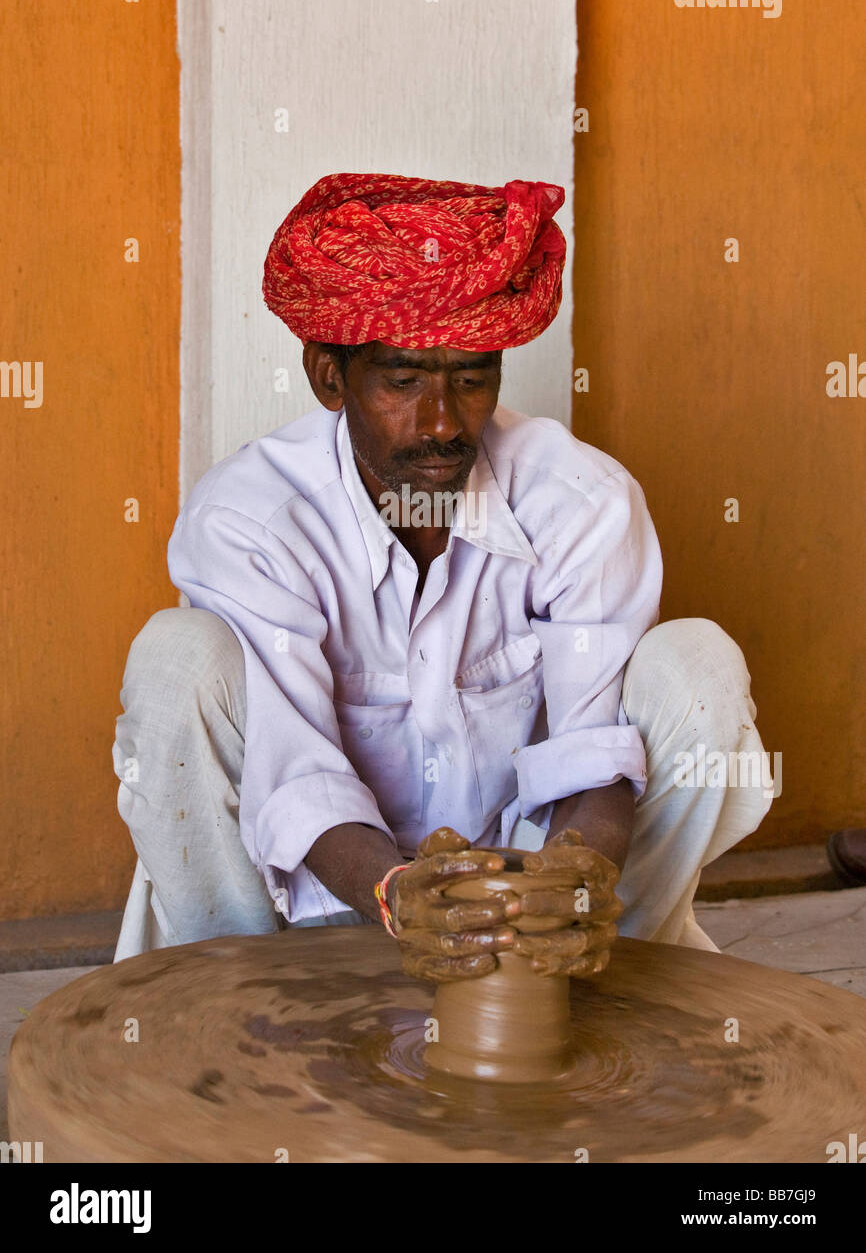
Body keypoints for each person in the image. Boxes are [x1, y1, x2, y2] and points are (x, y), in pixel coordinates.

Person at [112, 171, 772, 973]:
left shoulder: (581, 499)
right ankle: (236, 993)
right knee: (176, 657)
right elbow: (295, 774)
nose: (442, 424)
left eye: (471, 379)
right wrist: (400, 897)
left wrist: (562, 887)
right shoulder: (249, 518)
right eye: (402, 381)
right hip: (308, 907)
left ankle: (606, 974)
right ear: (330, 376)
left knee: (695, 663)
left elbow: (594, 751)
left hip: (524, 892)